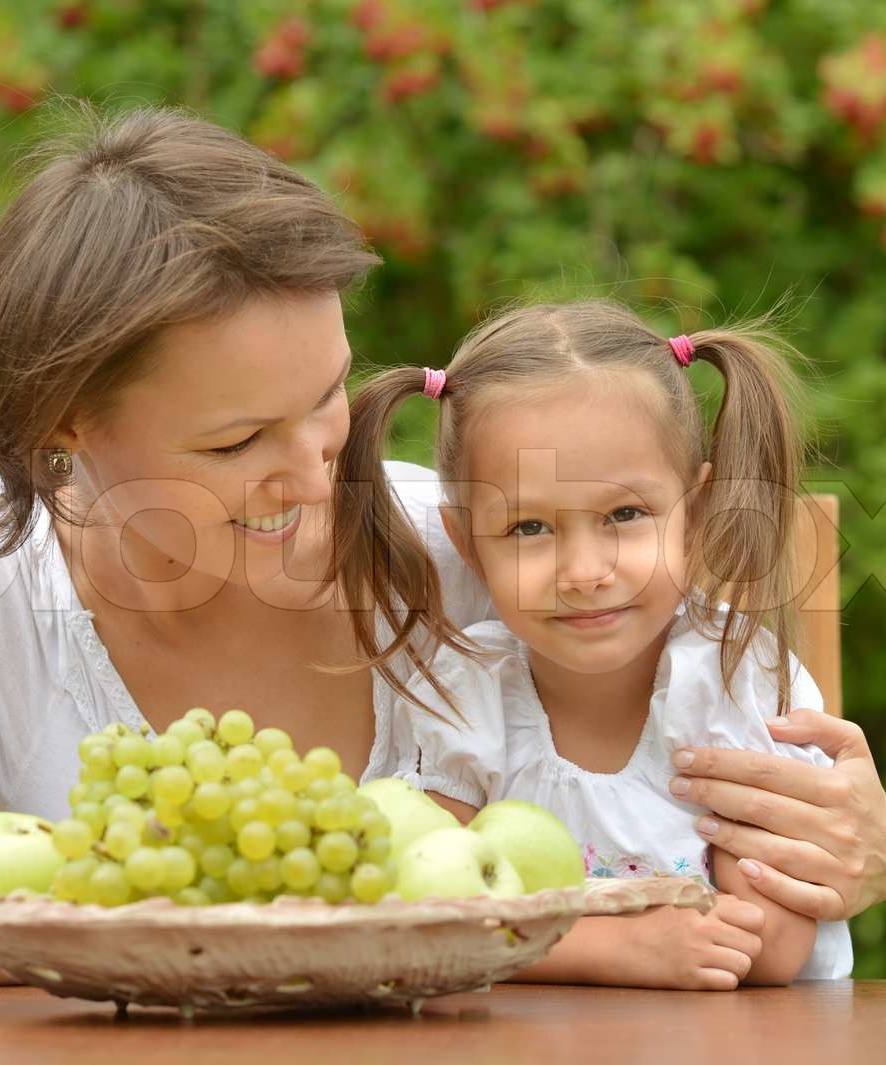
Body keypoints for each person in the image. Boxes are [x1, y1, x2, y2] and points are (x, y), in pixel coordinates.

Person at [0, 105, 886, 991]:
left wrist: (867, 844)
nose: (317, 469)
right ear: (66, 432)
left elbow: (706, 779)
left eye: (323, 396)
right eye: (235, 440)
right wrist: (146, 927)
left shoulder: (483, 541)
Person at [337, 301, 851, 989]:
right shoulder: (465, 690)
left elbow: (774, 945)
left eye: (624, 515)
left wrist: (532, 941)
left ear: (693, 514)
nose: (583, 572)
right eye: (528, 528)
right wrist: (617, 948)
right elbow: (426, 917)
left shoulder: (728, 678)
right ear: (466, 543)